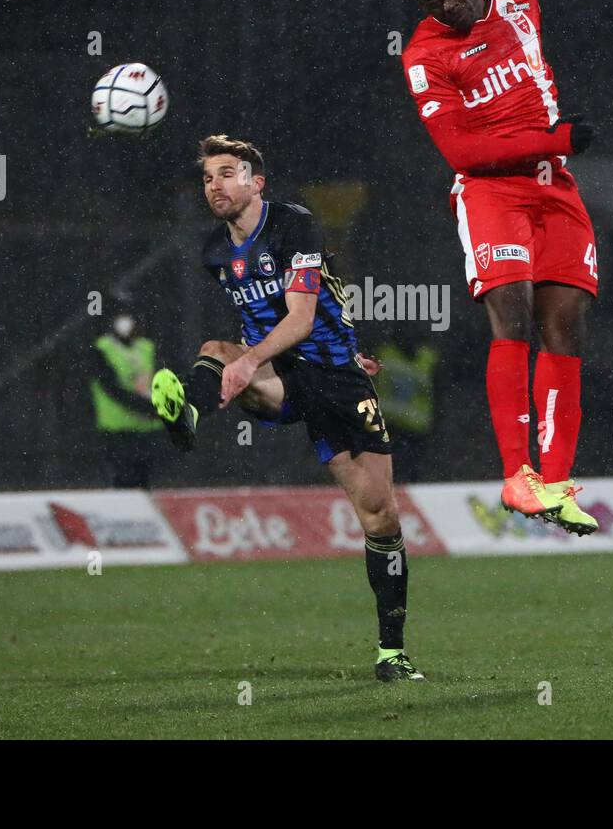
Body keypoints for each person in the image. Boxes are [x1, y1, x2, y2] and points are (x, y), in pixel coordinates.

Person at [151, 134, 423, 683]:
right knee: (213, 352)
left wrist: (256, 360)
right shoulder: (213, 253)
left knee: (380, 515)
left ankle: (391, 652)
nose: (216, 186)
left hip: (336, 379)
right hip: (280, 377)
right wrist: (248, 363)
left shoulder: (294, 226)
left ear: (257, 181)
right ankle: (190, 416)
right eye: (207, 178)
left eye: (228, 173)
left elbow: (301, 319)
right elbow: (262, 326)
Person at [388, 0, 599, 536]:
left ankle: (556, 485)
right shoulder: (425, 58)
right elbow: (462, 151)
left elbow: (537, 75)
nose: (448, 6)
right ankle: (516, 474)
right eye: (432, 2)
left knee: (566, 327)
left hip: (554, 188)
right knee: (514, 314)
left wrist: (552, 144)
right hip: (491, 193)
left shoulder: (518, 1)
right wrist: (554, 139)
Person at [89, 292, 165, 488]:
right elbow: (111, 388)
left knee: (145, 485)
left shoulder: (147, 347)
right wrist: (146, 407)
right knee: (123, 483)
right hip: (117, 431)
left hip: (147, 431)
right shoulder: (102, 349)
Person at [371, 332, 439, 483]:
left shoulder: (429, 360)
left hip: (415, 433)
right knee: (387, 471)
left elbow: (439, 394)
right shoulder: (384, 354)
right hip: (388, 427)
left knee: (408, 472)